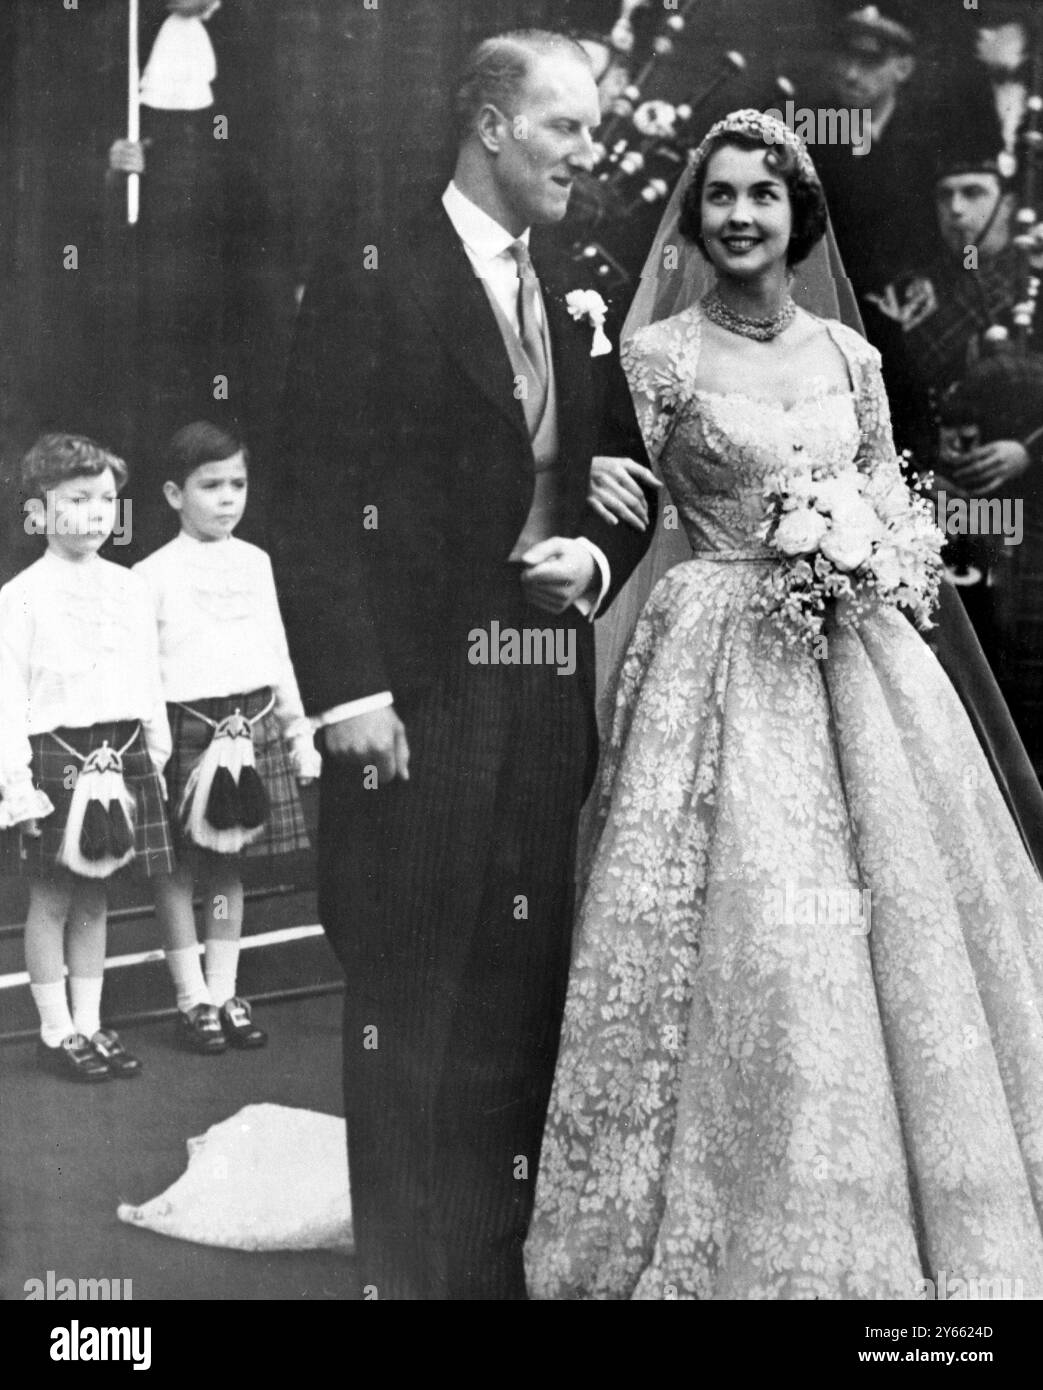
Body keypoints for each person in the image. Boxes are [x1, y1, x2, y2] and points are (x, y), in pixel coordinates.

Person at [524, 110, 1043, 1300]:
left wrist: (863, 551)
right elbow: (616, 505)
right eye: (719, 197)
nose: (740, 215)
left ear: (796, 216)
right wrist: (588, 551)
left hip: (856, 653)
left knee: (897, 919)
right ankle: (736, 1209)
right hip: (714, 656)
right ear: (694, 218)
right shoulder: (650, 359)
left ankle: (912, 1204)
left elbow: (886, 497)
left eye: (762, 195)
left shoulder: (853, 359)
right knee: (748, 921)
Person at [271, 29, 657, 1300]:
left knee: (516, 1001)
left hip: (542, 692)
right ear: (492, 125)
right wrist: (352, 694)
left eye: (590, 133)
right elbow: (313, 495)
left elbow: (624, 478)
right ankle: (403, 1277)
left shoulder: (577, 281)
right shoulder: (374, 270)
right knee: (410, 998)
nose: (585, 156)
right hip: (419, 696)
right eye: (566, 129)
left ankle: (492, 1275)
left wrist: (593, 558)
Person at [134, 421, 319, 1054]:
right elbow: (142, 673)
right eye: (209, 484)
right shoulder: (149, 574)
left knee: (228, 866)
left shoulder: (257, 562)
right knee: (179, 870)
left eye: (237, 483)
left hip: (251, 725)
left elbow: (278, 653)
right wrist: (154, 756)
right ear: (172, 495)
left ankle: (223, 990)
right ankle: (191, 998)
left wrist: (300, 734)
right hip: (184, 730)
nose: (227, 497)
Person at [0, 434, 173, 1082]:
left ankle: (93, 1024)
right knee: (49, 898)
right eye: (78, 498)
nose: (97, 511)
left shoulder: (131, 588)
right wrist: (16, 784)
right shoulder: (18, 596)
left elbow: (146, 676)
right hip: (55, 758)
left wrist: (152, 752)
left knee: (97, 898)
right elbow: (6, 697)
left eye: (106, 498)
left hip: (119, 751)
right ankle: (55, 1030)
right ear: (40, 511)